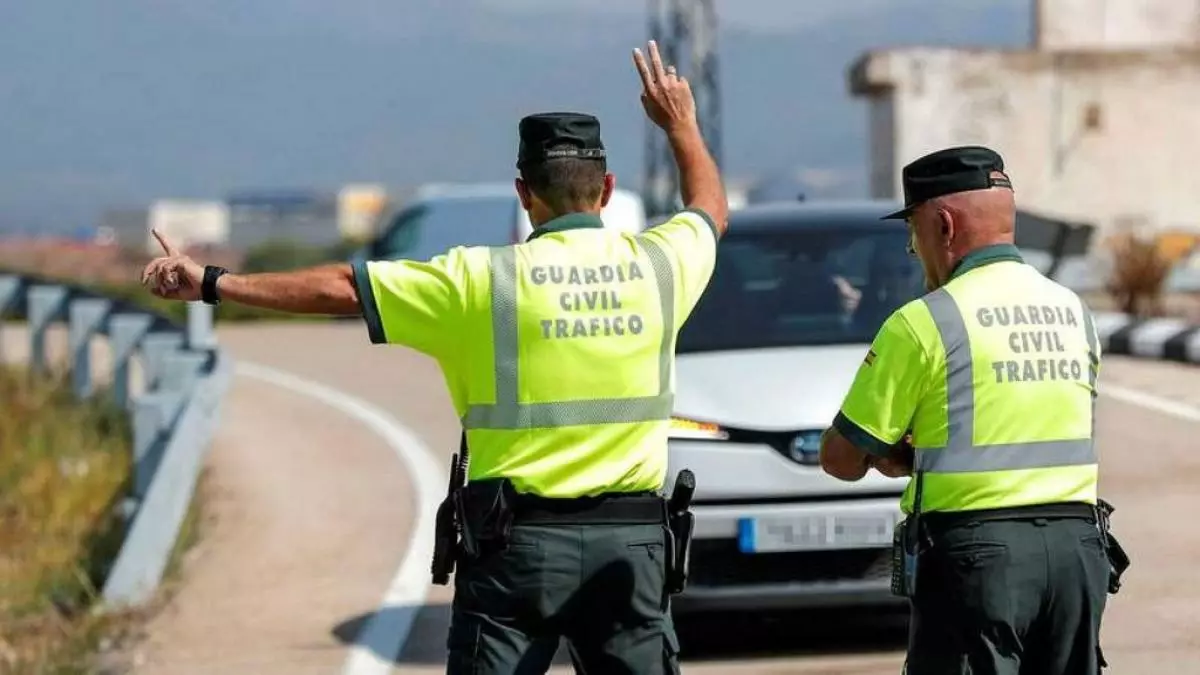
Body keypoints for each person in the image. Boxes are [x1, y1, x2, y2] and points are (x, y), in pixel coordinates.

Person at [140, 39, 727, 675]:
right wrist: (682, 125)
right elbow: (709, 212)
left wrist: (211, 283)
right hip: (631, 548)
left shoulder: (479, 281)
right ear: (607, 189)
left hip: (516, 551)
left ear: (523, 193)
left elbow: (343, 287)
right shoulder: (663, 266)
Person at [817, 146, 1118, 674]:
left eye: (914, 231)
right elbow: (1022, 421)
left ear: (944, 224)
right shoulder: (1075, 312)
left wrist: (895, 455)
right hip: (1077, 553)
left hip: (978, 559)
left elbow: (842, 458)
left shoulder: (925, 322)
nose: (914, 248)